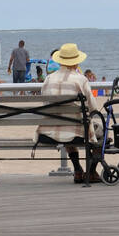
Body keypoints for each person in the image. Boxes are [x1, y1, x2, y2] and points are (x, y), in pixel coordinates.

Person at [38, 43, 102, 182]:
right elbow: (93, 109)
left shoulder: (48, 79)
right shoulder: (81, 79)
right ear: (76, 61)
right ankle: (91, 172)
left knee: (66, 126)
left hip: (50, 131)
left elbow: (45, 105)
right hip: (77, 132)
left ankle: (78, 170)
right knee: (103, 133)